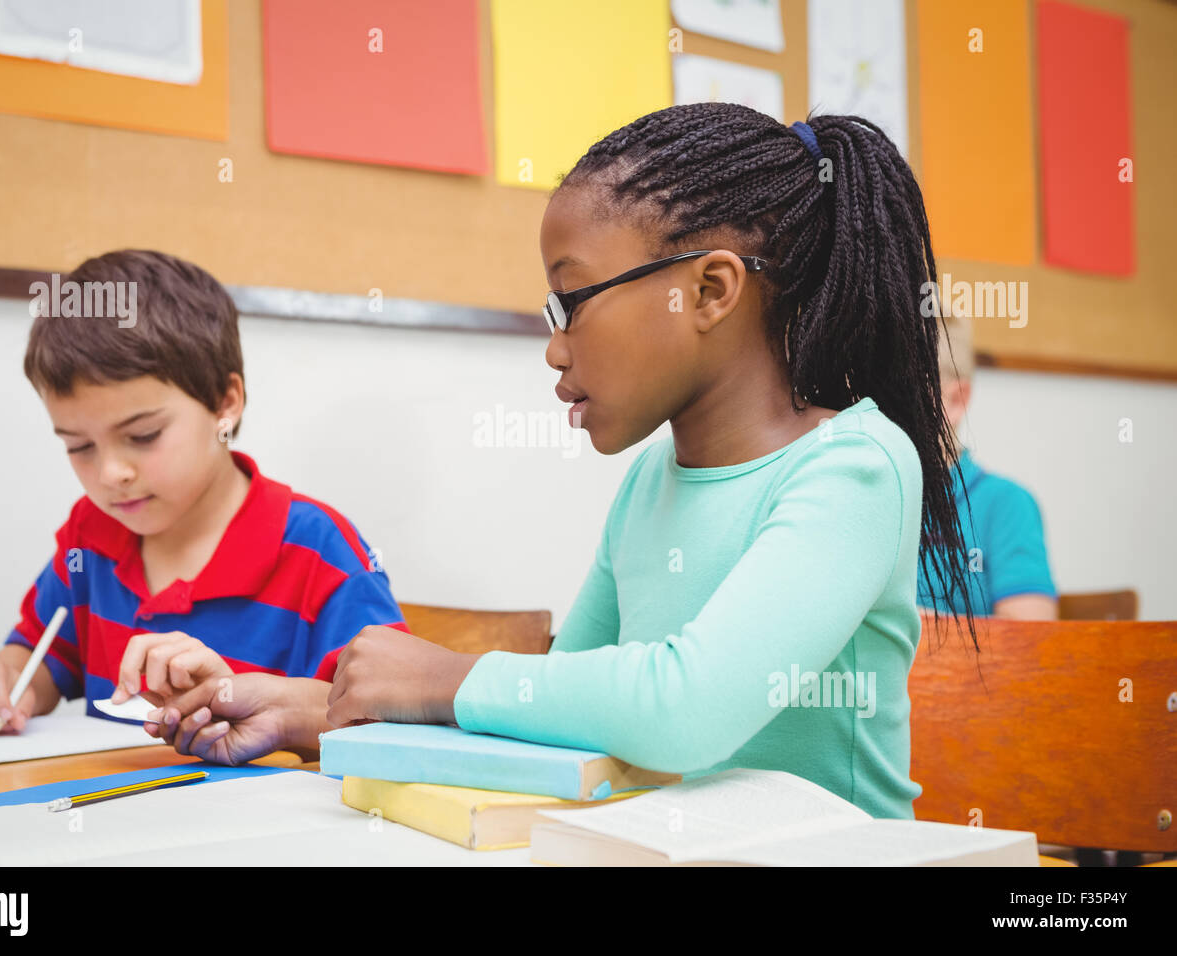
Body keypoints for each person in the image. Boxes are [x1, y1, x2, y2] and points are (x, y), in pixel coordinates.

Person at [143, 104, 979, 819]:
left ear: (712, 291)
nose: (553, 348)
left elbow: (683, 710)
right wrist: (311, 708)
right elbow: (562, 702)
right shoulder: (652, 481)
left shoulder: (856, 466)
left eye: (571, 302)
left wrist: (442, 675)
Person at [0, 250, 407, 738]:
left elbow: (387, 711)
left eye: (143, 436)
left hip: (262, 812)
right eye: (79, 446)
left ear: (224, 403)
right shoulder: (92, 534)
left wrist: (248, 703)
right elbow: (43, 656)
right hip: (101, 806)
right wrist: (5, 678)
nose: (111, 473)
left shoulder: (318, 549)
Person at [917, 311, 1057, 619]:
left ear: (954, 400)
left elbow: (1031, 643)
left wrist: (898, 624)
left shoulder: (1005, 504)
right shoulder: (858, 498)